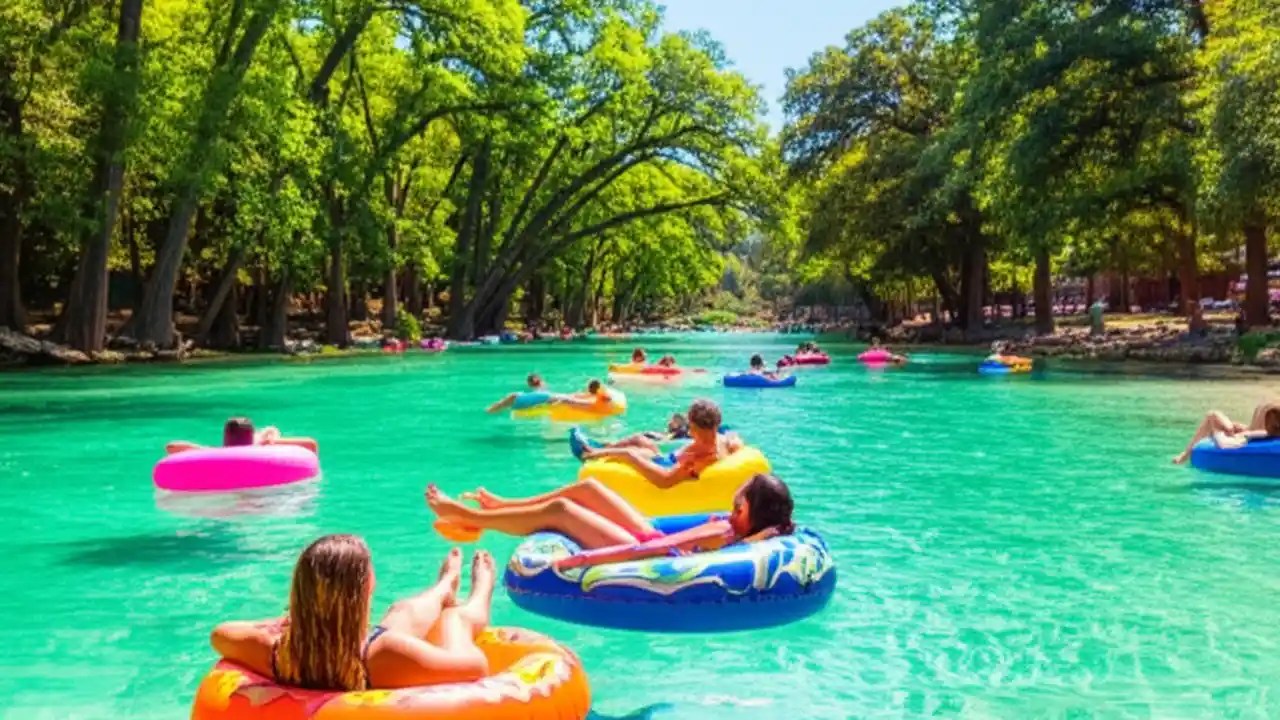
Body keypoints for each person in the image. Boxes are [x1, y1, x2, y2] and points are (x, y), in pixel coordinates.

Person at [210, 535, 494, 691]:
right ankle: (480, 588)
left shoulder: (275, 652)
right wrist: (457, 623)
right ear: (366, 587)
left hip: (346, 646)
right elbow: (475, 667)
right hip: (366, 658)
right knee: (454, 618)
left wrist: (291, 620)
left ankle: (445, 585)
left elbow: (220, 634)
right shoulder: (387, 653)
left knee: (401, 611)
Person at [427, 473, 795, 554]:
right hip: (656, 539)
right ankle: (503, 505)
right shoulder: (747, 529)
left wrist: (583, 561)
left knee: (563, 510)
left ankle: (470, 518)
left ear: (746, 507)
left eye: (739, 500)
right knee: (589, 488)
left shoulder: (727, 534)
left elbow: (653, 550)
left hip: (658, 550)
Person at [578, 399, 741, 488]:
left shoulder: (704, 457)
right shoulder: (723, 439)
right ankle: (599, 447)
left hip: (664, 464)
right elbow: (734, 439)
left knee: (631, 451)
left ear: (694, 426)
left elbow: (665, 480)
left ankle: (592, 454)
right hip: (669, 458)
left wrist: (627, 455)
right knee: (638, 439)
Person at [1173, 402, 1280, 464]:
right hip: (1250, 430)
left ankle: (1185, 455)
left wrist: (1218, 434)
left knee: (1212, 416)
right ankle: (1185, 455)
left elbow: (1241, 438)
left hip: (1246, 432)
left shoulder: (1265, 432)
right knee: (1214, 418)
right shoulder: (1268, 432)